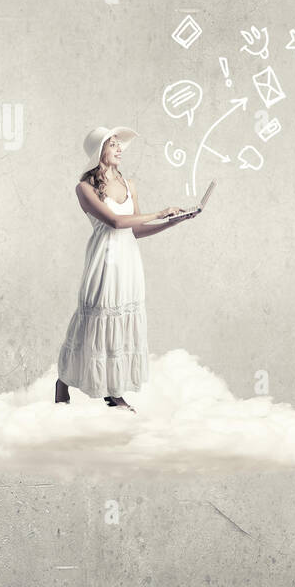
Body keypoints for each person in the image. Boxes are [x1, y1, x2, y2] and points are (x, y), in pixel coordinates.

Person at [54, 126, 197, 411]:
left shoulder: (129, 184)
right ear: (99, 152)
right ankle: (63, 381)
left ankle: (115, 391)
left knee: (121, 322)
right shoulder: (84, 188)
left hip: (129, 262)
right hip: (105, 261)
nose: (120, 149)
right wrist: (161, 211)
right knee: (94, 321)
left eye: (120, 145)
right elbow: (116, 223)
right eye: (113, 145)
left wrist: (175, 220)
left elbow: (136, 230)